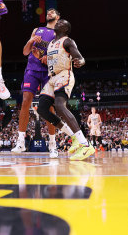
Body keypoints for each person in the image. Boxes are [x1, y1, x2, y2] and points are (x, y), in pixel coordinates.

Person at [30, 19, 95, 161]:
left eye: (61, 23)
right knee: (41, 109)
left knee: (59, 106)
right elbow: (52, 60)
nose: (57, 23)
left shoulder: (68, 41)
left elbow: (80, 57)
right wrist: (39, 56)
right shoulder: (52, 43)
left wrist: (80, 61)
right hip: (51, 78)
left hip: (64, 74)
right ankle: (74, 137)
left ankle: (85, 144)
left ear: (65, 29)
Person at [11, 8, 60, 158]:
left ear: (58, 17)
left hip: (48, 72)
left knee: (49, 106)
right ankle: (20, 142)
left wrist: (49, 58)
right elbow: (26, 51)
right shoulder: (37, 30)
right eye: (48, 11)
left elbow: (60, 57)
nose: (49, 13)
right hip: (32, 69)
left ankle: (52, 144)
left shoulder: (59, 35)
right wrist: (31, 40)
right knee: (26, 101)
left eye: (53, 12)